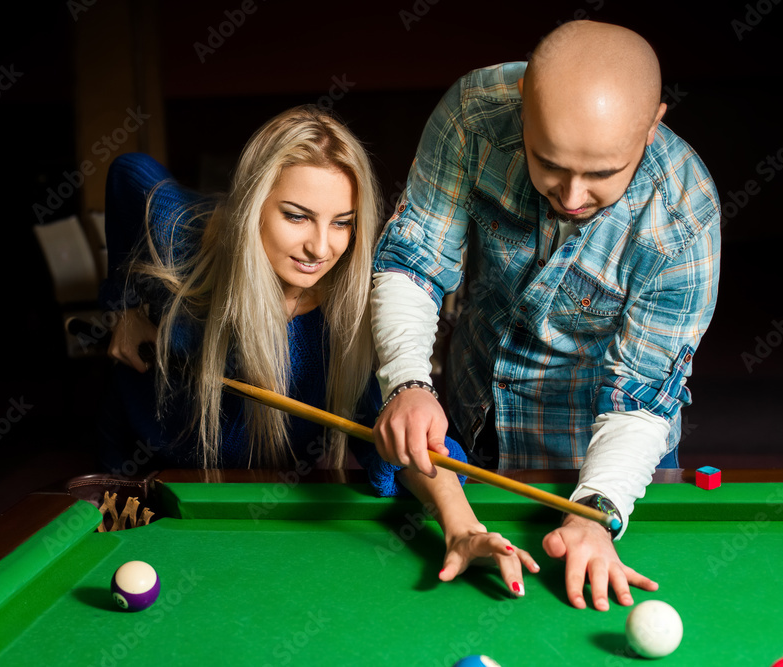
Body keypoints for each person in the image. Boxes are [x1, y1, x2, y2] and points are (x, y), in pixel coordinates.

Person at [97, 105, 540, 595]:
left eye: (342, 223)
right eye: (297, 216)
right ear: (252, 205)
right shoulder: (184, 234)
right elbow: (127, 174)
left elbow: (407, 440)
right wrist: (123, 307)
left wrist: (463, 528)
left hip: (271, 498)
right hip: (142, 469)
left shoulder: (349, 323)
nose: (320, 248)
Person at [371, 21, 721, 611]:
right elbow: (413, 262)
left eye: (602, 174)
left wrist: (596, 512)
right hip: (476, 416)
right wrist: (407, 383)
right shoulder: (474, 116)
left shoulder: (684, 219)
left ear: (653, 125)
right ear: (523, 105)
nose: (572, 195)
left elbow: (642, 394)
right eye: (549, 162)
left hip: (610, 451)